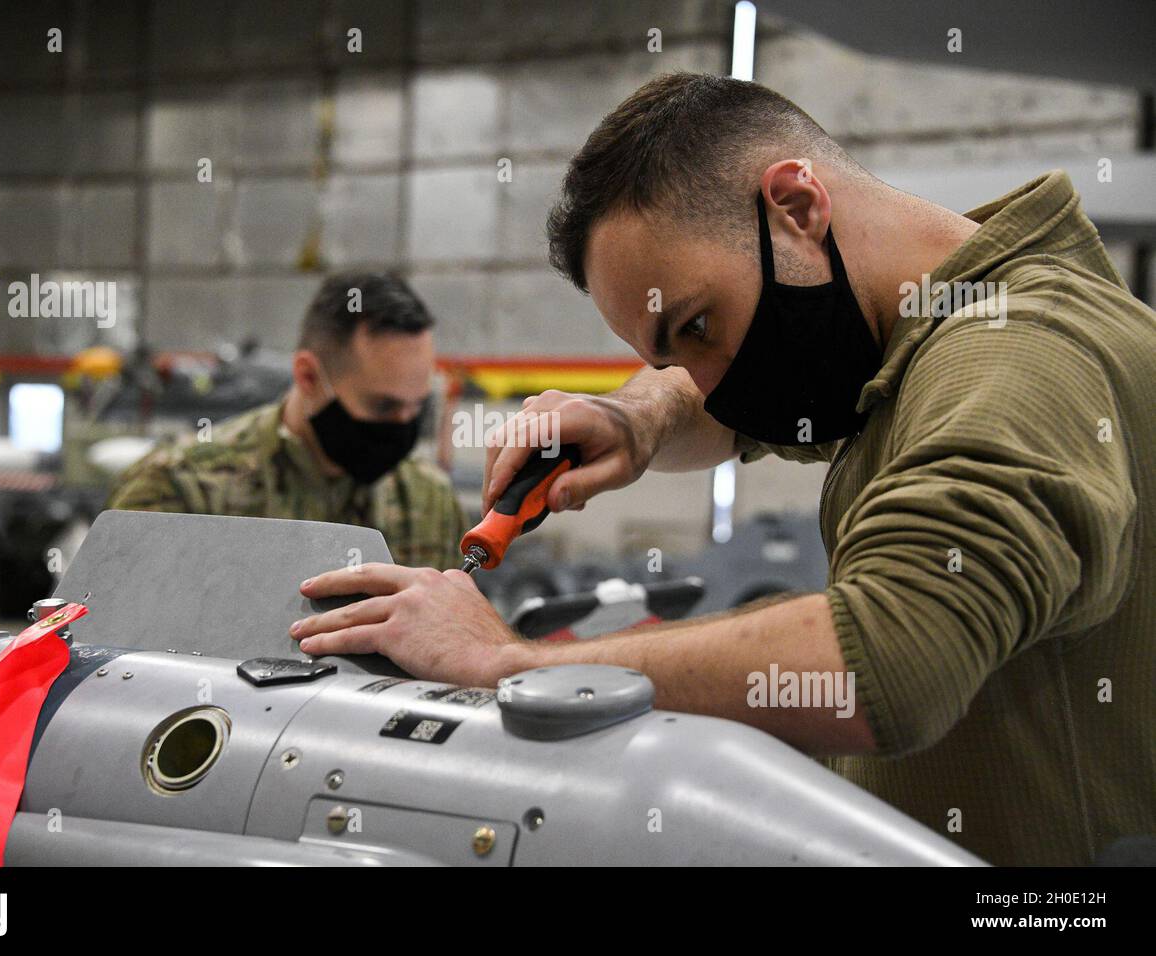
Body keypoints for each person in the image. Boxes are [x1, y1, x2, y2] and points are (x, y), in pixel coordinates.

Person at [288, 74, 1155, 865]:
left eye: (698, 327)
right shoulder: (923, 333)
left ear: (795, 205)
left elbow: (890, 660)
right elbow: (726, 397)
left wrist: (504, 662)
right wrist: (637, 414)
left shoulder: (1016, 360)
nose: (709, 384)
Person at [107, 272, 466, 570]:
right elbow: (110, 643)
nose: (403, 425)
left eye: (417, 407)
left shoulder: (430, 502)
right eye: (384, 407)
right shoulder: (182, 491)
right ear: (308, 377)